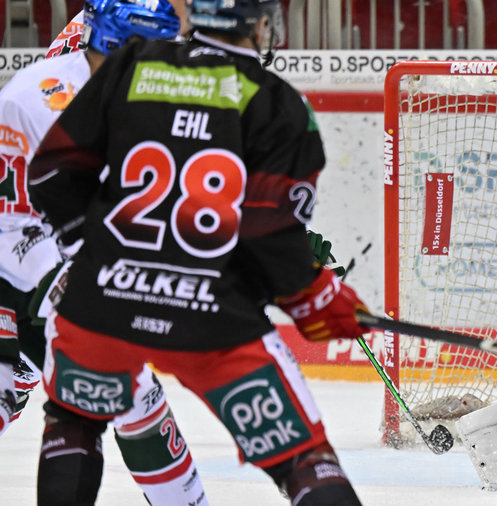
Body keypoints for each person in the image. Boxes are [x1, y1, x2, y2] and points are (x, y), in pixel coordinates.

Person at [26, 0, 369, 505]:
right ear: (261, 25)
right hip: (213, 319)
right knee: (304, 460)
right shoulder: (279, 103)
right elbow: (269, 235)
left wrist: (99, 254)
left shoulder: (133, 64)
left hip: (104, 303)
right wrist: (316, 299)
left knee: (73, 422)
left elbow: (52, 172)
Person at [0, 2, 209, 505]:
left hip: (51, 262)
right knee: (129, 395)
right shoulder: (49, 97)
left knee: (125, 394)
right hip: (26, 262)